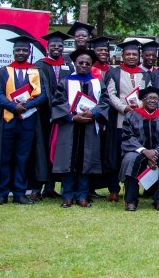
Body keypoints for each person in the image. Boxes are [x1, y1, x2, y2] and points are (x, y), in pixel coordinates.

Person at [0, 35, 51, 206]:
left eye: (24, 50)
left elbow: (43, 95)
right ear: (13, 51)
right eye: (18, 50)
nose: (21, 52)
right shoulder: (3, 72)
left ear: (29, 52)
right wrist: (13, 107)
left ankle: (19, 193)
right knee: (4, 156)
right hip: (7, 121)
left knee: (23, 157)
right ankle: (2, 193)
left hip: (28, 121)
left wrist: (27, 105)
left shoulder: (36, 72)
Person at [99, 38, 152, 202]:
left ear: (139, 56)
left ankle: (132, 187)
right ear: (122, 55)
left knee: (135, 155)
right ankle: (114, 189)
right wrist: (124, 107)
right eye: (128, 54)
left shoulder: (144, 74)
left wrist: (140, 107)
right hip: (119, 120)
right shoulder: (114, 72)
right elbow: (110, 95)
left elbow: (149, 94)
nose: (131, 57)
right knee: (115, 155)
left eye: (134, 54)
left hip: (139, 121)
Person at [50, 48, 102, 208]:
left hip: (88, 126)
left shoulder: (97, 82)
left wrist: (93, 113)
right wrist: (72, 116)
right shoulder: (65, 82)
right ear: (75, 64)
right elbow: (58, 102)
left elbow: (104, 102)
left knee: (85, 161)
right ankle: (67, 195)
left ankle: (82, 196)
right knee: (68, 160)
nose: (84, 65)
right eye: (81, 63)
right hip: (69, 127)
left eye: (87, 63)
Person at [119, 85, 159, 211]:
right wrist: (144, 151)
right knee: (130, 160)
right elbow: (127, 136)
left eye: (155, 98)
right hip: (137, 150)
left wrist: (155, 152)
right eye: (149, 98)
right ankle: (131, 200)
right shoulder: (132, 116)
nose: (152, 101)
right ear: (143, 100)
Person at [36, 30, 74, 200]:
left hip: (63, 116)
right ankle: (37, 188)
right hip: (43, 115)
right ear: (47, 47)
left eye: (60, 45)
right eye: (53, 45)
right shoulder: (39, 65)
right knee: (41, 151)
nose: (57, 48)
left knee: (60, 151)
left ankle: (51, 187)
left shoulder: (69, 65)